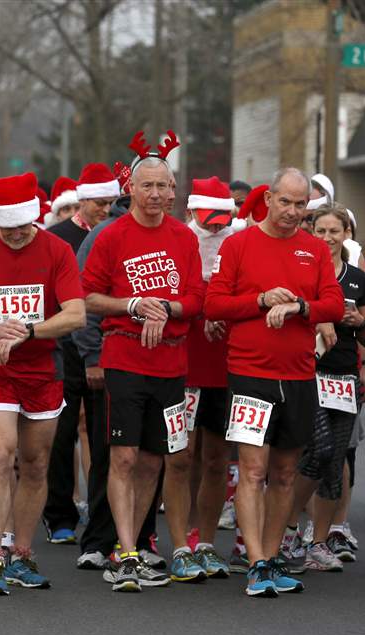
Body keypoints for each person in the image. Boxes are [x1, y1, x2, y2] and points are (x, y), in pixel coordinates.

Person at [205, 167, 344, 597]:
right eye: (285, 202)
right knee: (253, 469)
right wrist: (261, 300)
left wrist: (301, 307)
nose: (292, 212)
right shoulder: (239, 243)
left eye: (301, 205)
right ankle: (256, 562)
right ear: (268, 199)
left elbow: (333, 304)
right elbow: (214, 303)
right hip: (250, 374)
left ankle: (270, 557)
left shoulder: (314, 250)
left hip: (299, 375)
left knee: (285, 473)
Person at [0, 172, 86, 595]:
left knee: (35, 462)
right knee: (0, 454)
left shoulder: (57, 250)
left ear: (34, 220)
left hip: (43, 370)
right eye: (5, 229)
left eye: (21, 228)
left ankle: (21, 553)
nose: (13, 236)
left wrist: (27, 330)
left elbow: (76, 314)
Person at [82, 153, 205, 593]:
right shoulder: (111, 236)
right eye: (147, 186)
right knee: (124, 456)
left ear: (174, 191)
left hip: (171, 363)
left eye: (163, 187)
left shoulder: (184, 239)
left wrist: (165, 307)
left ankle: (130, 547)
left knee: (159, 457)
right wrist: (133, 305)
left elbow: (195, 299)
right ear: (130, 189)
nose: (155, 195)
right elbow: (89, 297)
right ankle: (128, 553)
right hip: (125, 359)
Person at [285, 205, 365, 572]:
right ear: (311, 232)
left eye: (335, 230)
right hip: (308, 372)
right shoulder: (301, 271)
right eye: (321, 230)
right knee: (317, 450)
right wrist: (319, 319)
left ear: (346, 234)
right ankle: (288, 527)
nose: (328, 237)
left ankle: (318, 542)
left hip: (344, 376)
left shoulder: (357, 277)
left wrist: (356, 323)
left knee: (335, 462)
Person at [161, 177, 240, 581]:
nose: (214, 228)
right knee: (179, 457)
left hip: (228, 367)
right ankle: (180, 538)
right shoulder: (179, 241)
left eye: (220, 221)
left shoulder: (240, 242)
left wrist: (220, 313)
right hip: (184, 365)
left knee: (216, 459)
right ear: (191, 212)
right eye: (207, 221)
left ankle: (205, 541)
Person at [43, 162, 120, 544]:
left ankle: (101, 513)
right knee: (61, 432)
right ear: (81, 202)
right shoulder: (57, 238)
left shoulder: (117, 234)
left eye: (111, 203)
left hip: (105, 347)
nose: (105, 211)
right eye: (98, 204)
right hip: (64, 346)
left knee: (104, 434)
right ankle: (59, 513)